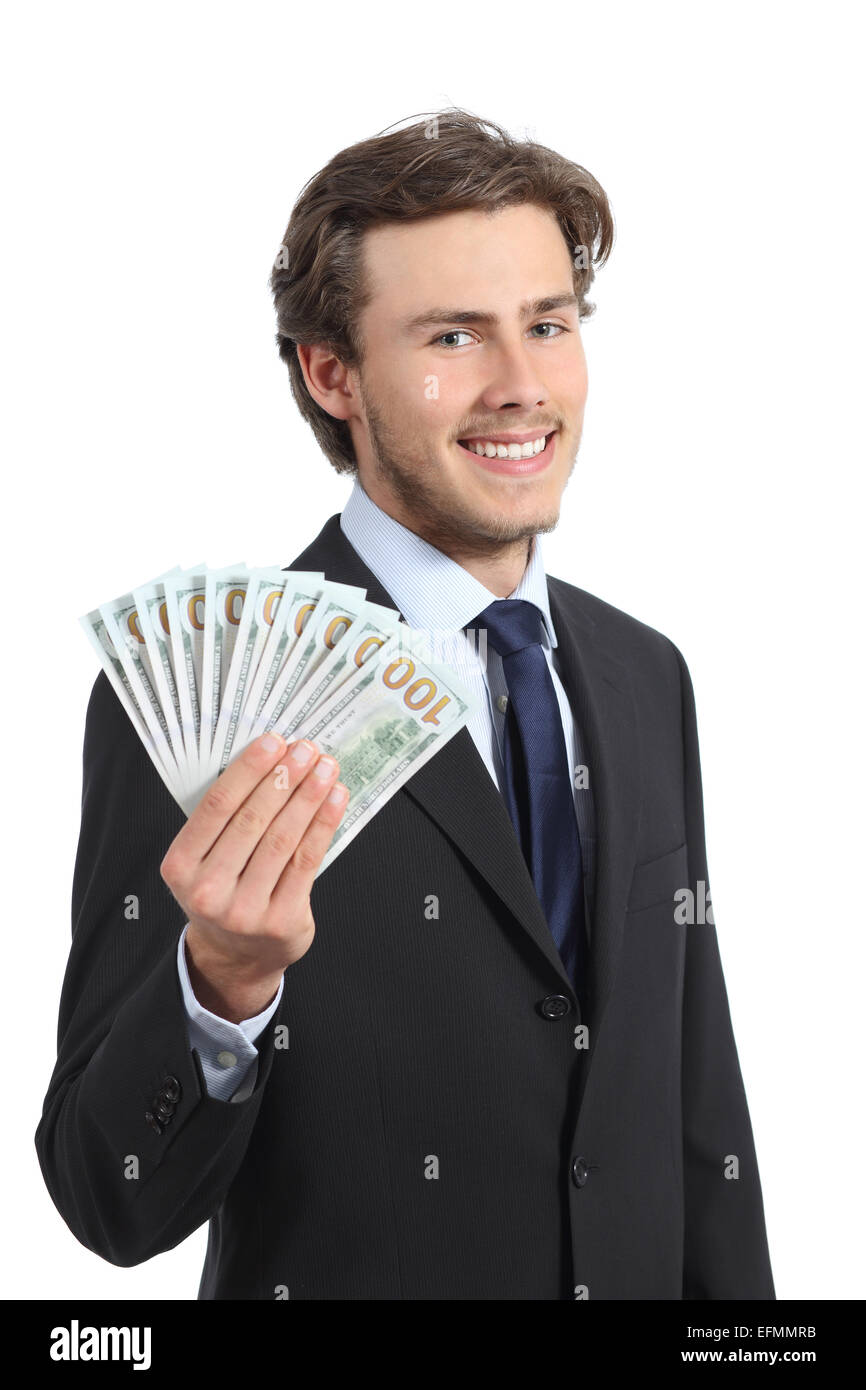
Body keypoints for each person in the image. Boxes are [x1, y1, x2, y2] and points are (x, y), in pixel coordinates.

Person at [35, 110, 775, 1300]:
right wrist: (220, 988)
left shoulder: (646, 676)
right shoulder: (197, 696)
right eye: (452, 335)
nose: (521, 386)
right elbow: (105, 1193)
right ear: (333, 374)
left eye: (547, 324)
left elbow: (698, 1116)